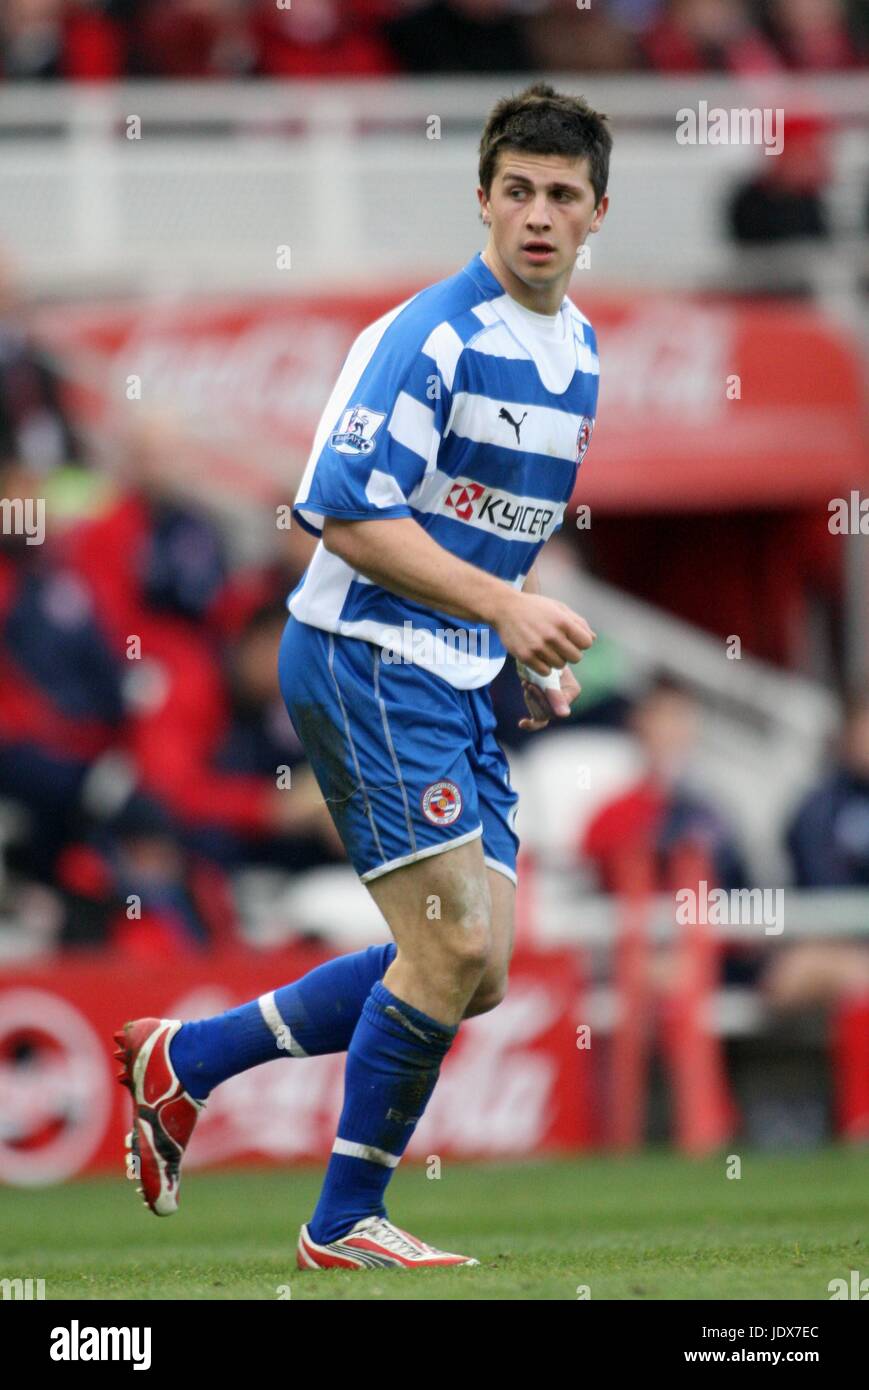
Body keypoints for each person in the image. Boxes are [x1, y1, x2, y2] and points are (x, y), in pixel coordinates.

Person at [114, 83, 610, 1269]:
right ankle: (340, 1223)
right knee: (447, 949)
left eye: (562, 196)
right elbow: (339, 513)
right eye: (517, 191)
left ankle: (187, 1061)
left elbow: (490, 529)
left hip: (450, 669)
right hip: (363, 657)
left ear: (596, 214)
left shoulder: (579, 354)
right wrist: (503, 609)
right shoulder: (426, 336)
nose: (537, 214)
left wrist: (510, 653)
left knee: (476, 966)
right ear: (481, 198)